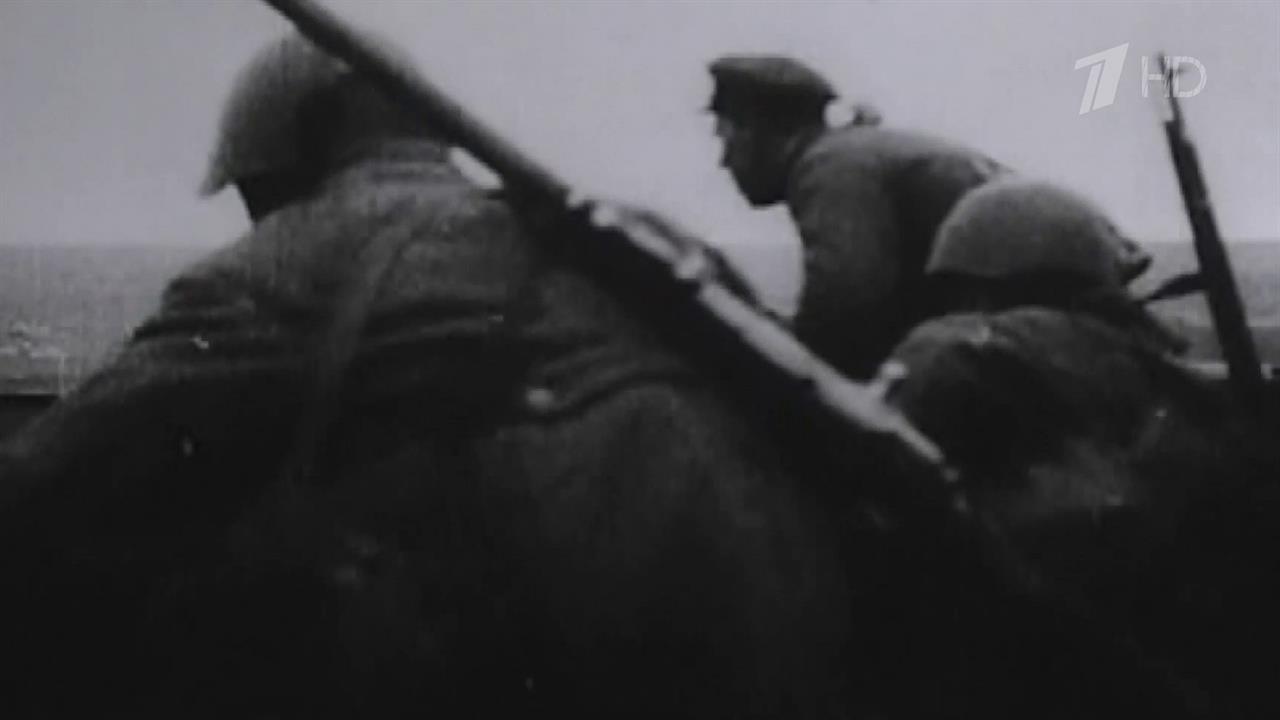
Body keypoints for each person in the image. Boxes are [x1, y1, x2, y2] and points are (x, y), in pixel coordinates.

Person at [0, 32, 851, 718]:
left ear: (290, 159)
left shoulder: (289, 257)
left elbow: (47, 479)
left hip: (583, 658)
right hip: (787, 636)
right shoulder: (636, 245)